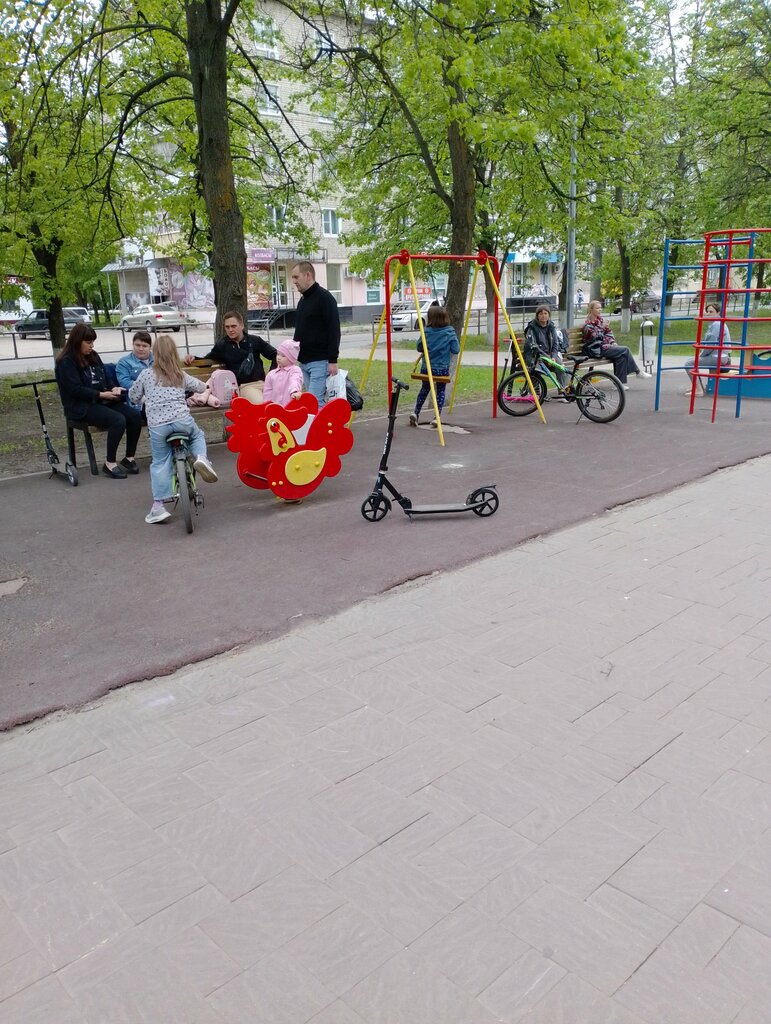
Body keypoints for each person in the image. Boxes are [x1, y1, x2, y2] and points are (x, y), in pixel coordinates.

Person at [130, 334, 218, 524]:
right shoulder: (179, 374)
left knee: (160, 462)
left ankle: (158, 507)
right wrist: (208, 385)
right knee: (197, 436)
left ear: (154, 354)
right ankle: (202, 459)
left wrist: (140, 397)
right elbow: (201, 386)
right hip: (182, 421)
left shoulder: (146, 374)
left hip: (159, 427)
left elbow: (134, 396)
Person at [55, 322, 143, 479]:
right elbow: (75, 390)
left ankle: (129, 458)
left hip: (101, 400)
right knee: (118, 420)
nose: (91, 346)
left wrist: (114, 388)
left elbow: (106, 378)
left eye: (92, 342)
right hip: (81, 406)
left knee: (135, 416)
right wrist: (101, 395)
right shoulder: (66, 362)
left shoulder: (93, 356)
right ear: (77, 341)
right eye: (88, 342)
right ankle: (110, 464)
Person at [184, 311, 277, 394]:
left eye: (233, 326)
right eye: (227, 327)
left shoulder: (254, 340)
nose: (230, 330)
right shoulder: (223, 345)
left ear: (242, 326)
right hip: (243, 387)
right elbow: (207, 361)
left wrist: (270, 376)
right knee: (263, 404)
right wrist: (194, 358)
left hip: (263, 384)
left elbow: (275, 354)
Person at [290, 261, 340, 405]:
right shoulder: (303, 300)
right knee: (313, 401)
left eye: (296, 277)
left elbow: (334, 329)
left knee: (314, 402)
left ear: (308, 275)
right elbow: (300, 330)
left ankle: (327, 426)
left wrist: (332, 360)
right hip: (304, 361)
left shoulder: (325, 298)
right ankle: (330, 425)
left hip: (319, 360)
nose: (294, 282)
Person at [409, 304, 460, 427]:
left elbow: (419, 347)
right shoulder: (450, 332)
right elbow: (455, 349)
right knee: (440, 391)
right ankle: (436, 417)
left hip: (427, 369)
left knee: (425, 389)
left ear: (430, 318)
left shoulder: (426, 332)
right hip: (442, 369)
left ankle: (416, 413)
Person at [582, 299, 651, 389]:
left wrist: (612, 342)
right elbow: (593, 337)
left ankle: (619, 385)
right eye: (597, 308)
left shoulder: (600, 320)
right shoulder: (587, 324)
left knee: (621, 356)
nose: (600, 310)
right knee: (625, 350)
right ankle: (637, 372)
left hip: (603, 347)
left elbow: (608, 333)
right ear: (591, 310)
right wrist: (603, 328)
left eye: (600, 308)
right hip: (595, 349)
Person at [684, 301, 732, 395]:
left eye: (711, 312)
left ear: (718, 313)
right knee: (692, 361)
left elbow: (711, 344)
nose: (708, 314)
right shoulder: (717, 323)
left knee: (689, 363)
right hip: (719, 355)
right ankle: (697, 386)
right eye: (707, 311)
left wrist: (701, 354)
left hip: (718, 356)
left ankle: (698, 389)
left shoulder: (717, 324)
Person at [524, 305, 569, 389]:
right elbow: (534, 346)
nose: (543, 316)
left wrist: (553, 357)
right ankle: (535, 393)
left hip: (550, 356)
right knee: (536, 370)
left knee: (561, 369)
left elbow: (555, 344)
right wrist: (547, 358)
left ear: (549, 315)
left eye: (545, 313)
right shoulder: (531, 328)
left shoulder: (551, 326)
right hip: (535, 356)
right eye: (541, 314)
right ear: (537, 316)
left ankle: (562, 392)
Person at [116, 331, 153, 412]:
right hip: (138, 402)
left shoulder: (158, 360)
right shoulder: (124, 362)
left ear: (150, 347)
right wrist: (147, 387)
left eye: (144, 346)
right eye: (137, 345)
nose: (140, 349)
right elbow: (125, 383)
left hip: (159, 397)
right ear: (133, 345)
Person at [263, 340, 303, 407]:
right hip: (275, 410)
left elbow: (295, 380)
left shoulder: (295, 370)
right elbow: (267, 393)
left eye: (283, 356)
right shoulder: (271, 374)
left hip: (291, 408)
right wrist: (267, 406)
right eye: (278, 354)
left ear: (291, 358)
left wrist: (294, 391)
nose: (278, 358)